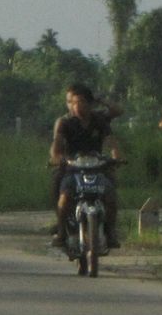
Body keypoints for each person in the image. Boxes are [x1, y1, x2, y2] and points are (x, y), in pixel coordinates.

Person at [50, 83, 123, 249]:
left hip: (97, 166)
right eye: (72, 103)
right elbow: (57, 145)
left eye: (81, 102)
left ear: (90, 103)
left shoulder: (100, 120)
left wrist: (116, 156)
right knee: (63, 196)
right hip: (72, 167)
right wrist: (58, 157)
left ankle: (110, 231)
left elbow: (111, 141)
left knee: (110, 194)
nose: (76, 107)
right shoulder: (65, 122)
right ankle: (61, 231)